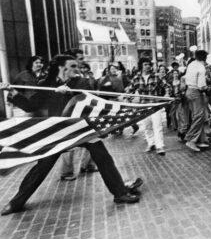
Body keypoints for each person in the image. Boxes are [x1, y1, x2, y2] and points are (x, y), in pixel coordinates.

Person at [0, 55, 142, 216]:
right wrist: (12, 91)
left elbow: (88, 103)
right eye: (73, 66)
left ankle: (120, 193)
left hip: (80, 129)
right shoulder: (45, 84)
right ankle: (16, 202)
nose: (77, 69)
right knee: (42, 168)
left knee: (103, 158)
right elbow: (30, 106)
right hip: (59, 132)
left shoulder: (79, 83)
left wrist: (67, 94)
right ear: (62, 68)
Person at [126, 57, 170, 155]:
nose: (148, 66)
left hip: (155, 105)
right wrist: (131, 99)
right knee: (147, 126)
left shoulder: (156, 77)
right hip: (144, 106)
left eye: (149, 64)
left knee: (157, 126)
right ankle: (151, 143)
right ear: (141, 66)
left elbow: (167, 86)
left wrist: (166, 94)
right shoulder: (136, 78)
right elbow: (129, 90)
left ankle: (160, 146)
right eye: (145, 64)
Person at [184, 50, 209, 152]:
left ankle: (200, 140)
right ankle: (191, 139)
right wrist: (208, 87)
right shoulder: (201, 67)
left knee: (197, 116)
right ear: (205, 58)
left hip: (189, 91)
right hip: (196, 92)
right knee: (199, 116)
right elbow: (202, 86)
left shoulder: (191, 64)